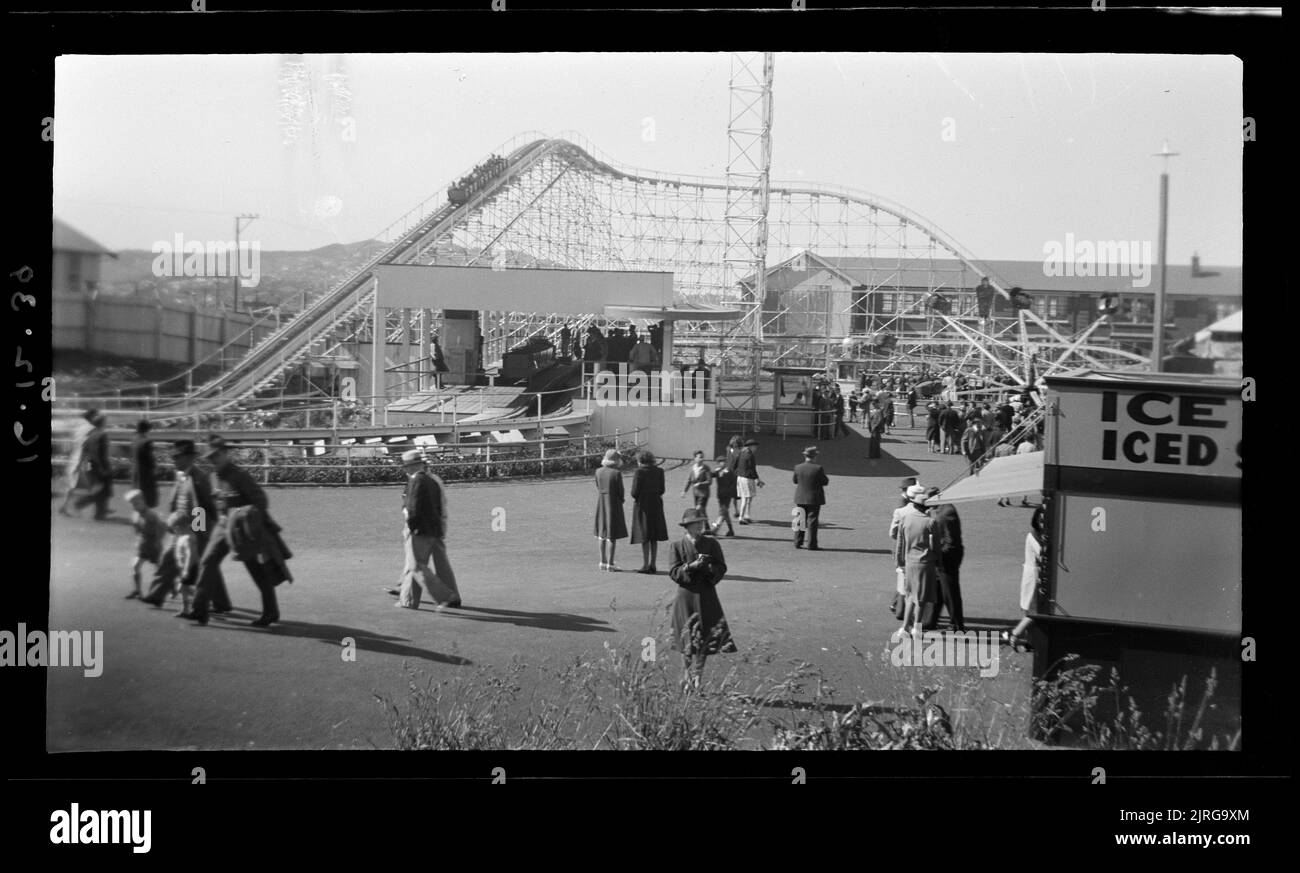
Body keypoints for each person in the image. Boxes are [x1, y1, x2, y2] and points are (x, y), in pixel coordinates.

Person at [189, 436, 292, 627]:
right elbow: (203, 506)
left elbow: (261, 501)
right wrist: (198, 528)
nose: (213, 460)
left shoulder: (239, 475)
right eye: (210, 457)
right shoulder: (212, 477)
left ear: (226, 453)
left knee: (257, 570)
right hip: (222, 526)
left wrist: (246, 520)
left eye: (217, 455)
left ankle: (271, 612)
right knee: (207, 561)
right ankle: (199, 610)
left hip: (243, 529)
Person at [142, 439, 230, 614]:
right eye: (174, 457)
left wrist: (198, 533)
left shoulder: (198, 478)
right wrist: (172, 520)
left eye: (178, 457)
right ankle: (156, 594)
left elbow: (203, 506)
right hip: (181, 526)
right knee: (169, 559)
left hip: (197, 528)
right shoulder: (181, 474)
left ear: (189, 458)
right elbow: (176, 501)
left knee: (206, 566)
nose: (174, 460)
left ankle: (221, 602)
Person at [668, 507, 736, 689]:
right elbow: (674, 572)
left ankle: (698, 678)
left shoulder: (712, 544)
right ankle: (686, 676)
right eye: (696, 523)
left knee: (704, 637)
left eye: (700, 522)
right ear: (687, 526)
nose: (700, 526)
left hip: (706, 593)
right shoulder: (676, 545)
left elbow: (721, 567)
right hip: (686, 596)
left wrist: (708, 569)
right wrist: (690, 567)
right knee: (686, 639)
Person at [394, 449, 461, 610]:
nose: (405, 469)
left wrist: (411, 526)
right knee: (420, 564)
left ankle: (445, 596)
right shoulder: (432, 480)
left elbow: (413, 507)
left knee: (416, 565)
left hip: (420, 529)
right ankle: (408, 600)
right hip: (434, 527)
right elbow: (440, 506)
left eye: (406, 466)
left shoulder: (416, 481)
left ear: (412, 466)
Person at [894, 484, 940, 638]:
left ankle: (904, 627)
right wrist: (938, 563)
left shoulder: (906, 518)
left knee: (909, 597)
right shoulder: (930, 522)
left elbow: (900, 543)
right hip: (925, 563)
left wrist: (899, 562)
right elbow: (936, 547)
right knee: (921, 599)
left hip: (909, 562)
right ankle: (916, 628)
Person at [1003, 505, 1045, 652]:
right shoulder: (1033, 535)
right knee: (1035, 612)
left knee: (1033, 611)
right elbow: (1042, 553)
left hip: (1037, 577)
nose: (1043, 523)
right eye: (1040, 520)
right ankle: (1013, 634)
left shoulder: (1042, 534)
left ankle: (1028, 641)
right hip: (1034, 578)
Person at [927, 487, 966, 632]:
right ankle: (930, 620)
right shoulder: (943, 509)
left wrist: (938, 554)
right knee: (940, 589)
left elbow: (950, 542)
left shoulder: (946, 513)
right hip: (945, 557)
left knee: (950, 592)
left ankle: (956, 625)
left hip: (948, 559)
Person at [124, 489, 167, 600]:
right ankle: (138, 591)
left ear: (142, 501)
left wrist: (158, 542)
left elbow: (162, 528)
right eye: (132, 503)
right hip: (143, 546)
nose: (134, 505)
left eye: (136, 503)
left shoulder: (151, 515)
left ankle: (170, 588)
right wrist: (138, 541)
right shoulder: (135, 515)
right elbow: (137, 530)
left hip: (153, 546)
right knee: (135, 566)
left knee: (159, 570)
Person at [630, 450, 668, 574]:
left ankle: (645, 564)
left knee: (644, 535)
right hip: (656, 504)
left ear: (640, 460)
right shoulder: (659, 471)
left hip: (643, 504)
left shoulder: (639, 472)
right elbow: (662, 490)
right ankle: (653, 564)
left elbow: (634, 492)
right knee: (654, 536)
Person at [72, 411, 113, 519]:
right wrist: (103, 468)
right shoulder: (102, 435)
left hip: (90, 465)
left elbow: (84, 450)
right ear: (103, 423)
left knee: (100, 489)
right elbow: (98, 453)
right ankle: (82, 504)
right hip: (100, 465)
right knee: (100, 489)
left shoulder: (90, 433)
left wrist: (79, 464)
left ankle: (100, 513)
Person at [58, 409, 98, 516]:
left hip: (75, 457)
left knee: (73, 485)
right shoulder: (91, 429)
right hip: (82, 459)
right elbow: (87, 446)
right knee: (94, 486)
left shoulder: (79, 427)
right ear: (92, 417)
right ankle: (79, 505)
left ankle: (66, 506)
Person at [887, 477, 917, 618]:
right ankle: (899, 608)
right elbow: (895, 532)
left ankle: (895, 604)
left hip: (902, 547)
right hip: (903, 548)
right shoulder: (904, 505)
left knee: (903, 579)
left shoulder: (905, 502)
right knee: (904, 579)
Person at [593, 449, 627, 571]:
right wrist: (621, 500)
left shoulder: (598, 471)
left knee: (602, 533)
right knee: (612, 534)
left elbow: (597, 485)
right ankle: (610, 564)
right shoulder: (616, 473)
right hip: (613, 503)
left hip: (601, 502)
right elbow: (620, 490)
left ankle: (602, 561)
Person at [791, 446, 828, 550]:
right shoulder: (818, 468)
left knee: (799, 519)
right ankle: (811, 544)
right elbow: (825, 481)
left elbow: (795, 481)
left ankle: (797, 542)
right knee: (812, 521)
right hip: (814, 498)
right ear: (814, 456)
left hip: (800, 497)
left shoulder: (798, 467)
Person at [712, 435, 742, 537]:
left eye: (736, 443)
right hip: (723, 489)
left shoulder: (739, 452)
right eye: (733, 443)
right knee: (725, 512)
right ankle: (731, 530)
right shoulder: (729, 450)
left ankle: (715, 528)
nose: (734, 444)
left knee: (724, 511)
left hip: (731, 480)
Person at [735, 439, 764, 524]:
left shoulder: (741, 453)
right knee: (746, 498)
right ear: (751, 446)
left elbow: (735, 465)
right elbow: (752, 469)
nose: (756, 448)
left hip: (740, 477)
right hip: (747, 479)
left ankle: (746, 516)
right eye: (755, 446)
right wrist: (758, 480)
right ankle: (741, 517)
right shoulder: (750, 455)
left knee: (748, 498)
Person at [132, 419, 158, 509]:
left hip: (136, 470)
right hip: (146, 472)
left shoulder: (135, 438)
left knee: (138, 495)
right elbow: (150, 458)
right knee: (148, 496)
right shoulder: (147, 442)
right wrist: (154, 467)